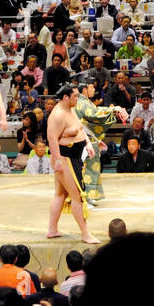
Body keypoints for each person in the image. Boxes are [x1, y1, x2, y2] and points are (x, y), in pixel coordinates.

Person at [46, 85, 100, 243]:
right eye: (75, 96)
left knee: (61, 194)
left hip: (74, 156)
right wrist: (57, 161)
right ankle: (85, 233)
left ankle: (52, 229)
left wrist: (88, 143)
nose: (78, 98)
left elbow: (80, 128)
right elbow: (52, 139)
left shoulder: (70, 109)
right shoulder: (58, 115)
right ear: (65, 97)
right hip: (64, 158)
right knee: (78, 196)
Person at [71, 78, 128, 205]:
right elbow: (95, 114)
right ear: (85, 89)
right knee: (88, 169)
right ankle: (85, 197)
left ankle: (86, 196)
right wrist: (114, 110)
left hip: (87, 140)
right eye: (92, 87)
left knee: (88, 169)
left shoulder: (81, 102)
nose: (94, 90)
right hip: (85, 142)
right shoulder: (83, 102)